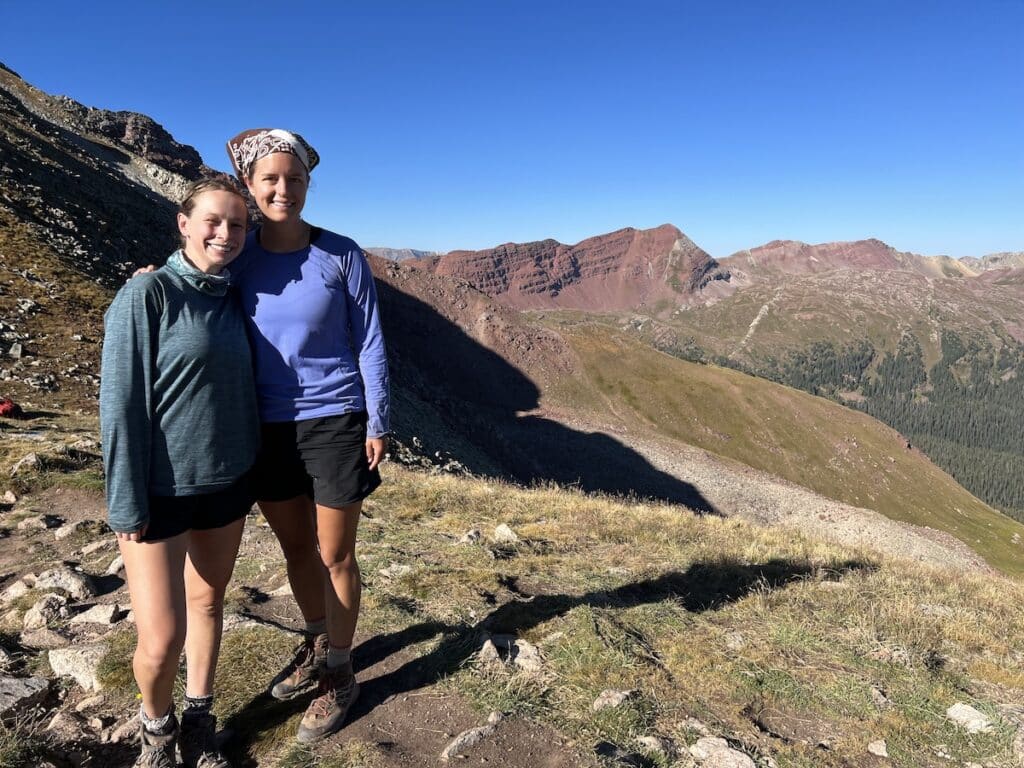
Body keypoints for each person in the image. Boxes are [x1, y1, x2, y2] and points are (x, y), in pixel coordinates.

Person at [224, 128, 389, 743]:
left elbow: (369, 339)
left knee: (335, 554)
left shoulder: (341, 254)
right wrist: (148, 279)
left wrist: (379, 418)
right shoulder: (237, 255)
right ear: (250, 186)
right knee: (297, 551)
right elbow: (189, 284)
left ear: (308, 184)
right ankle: (320, 641)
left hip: (335, 419)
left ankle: (341, 675)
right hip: (263, 425)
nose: (282, 189)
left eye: (293, 179)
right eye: (269, 179)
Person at [101, 178, 259, 768]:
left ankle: (199, 718)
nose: (225, 233)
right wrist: (125, 502)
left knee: (209, 605)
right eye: (213, 221)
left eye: (238, 225)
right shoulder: (147, 296)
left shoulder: (235, 294)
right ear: (183, 224)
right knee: (161, 637)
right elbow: (120, 404)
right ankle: (156, 730)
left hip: (227, 483)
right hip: (160, 491)